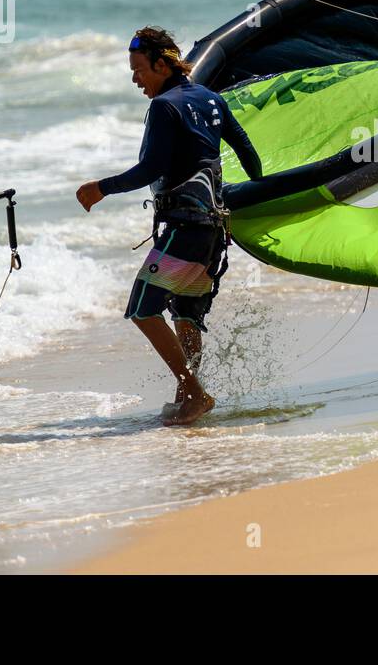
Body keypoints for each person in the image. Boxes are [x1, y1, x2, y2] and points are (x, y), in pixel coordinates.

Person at [76, 27, 263, 426]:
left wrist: (101, 188)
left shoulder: (164, 106)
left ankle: (195, 393)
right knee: (185, 313)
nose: (135, 79)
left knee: (143, 309)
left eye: (139, 69)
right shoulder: (212, 99)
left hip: (185, 228)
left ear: (162, 65)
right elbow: (249, 154)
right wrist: (258, 194)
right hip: (214, 230)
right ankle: (185, 394)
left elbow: (152, 168)